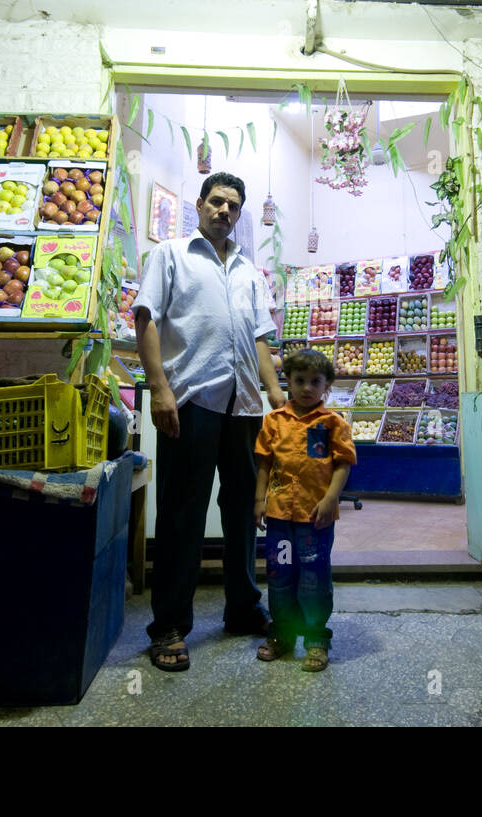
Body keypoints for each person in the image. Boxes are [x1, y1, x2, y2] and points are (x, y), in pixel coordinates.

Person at [132, 172, 287, 672]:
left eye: (233, 206)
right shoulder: (171, 254)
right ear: (199, 206)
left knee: (245, 510)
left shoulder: (249, 272)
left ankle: (243, 608)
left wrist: (278, 398)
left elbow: (261, 340)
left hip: (243, 407)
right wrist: (159, 389)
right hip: (190, 401)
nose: (224, 211)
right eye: (217, 202)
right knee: (182, 514)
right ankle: (170, 626)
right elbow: (146, 318)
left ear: (240, 215)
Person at [253, 347, 356, 672]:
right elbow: (265, 464)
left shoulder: (333, 424)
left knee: (314, 578)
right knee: (280, 576)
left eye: (316, 382)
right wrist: (259, 500)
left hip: (316, 519)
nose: (307, 387)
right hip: (280, 517)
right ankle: (282, 634)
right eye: (300, 380)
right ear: (288, 381)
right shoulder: (273, 421)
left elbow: (343, 465)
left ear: (327, 386)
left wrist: (331, 499)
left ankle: (316, 640)